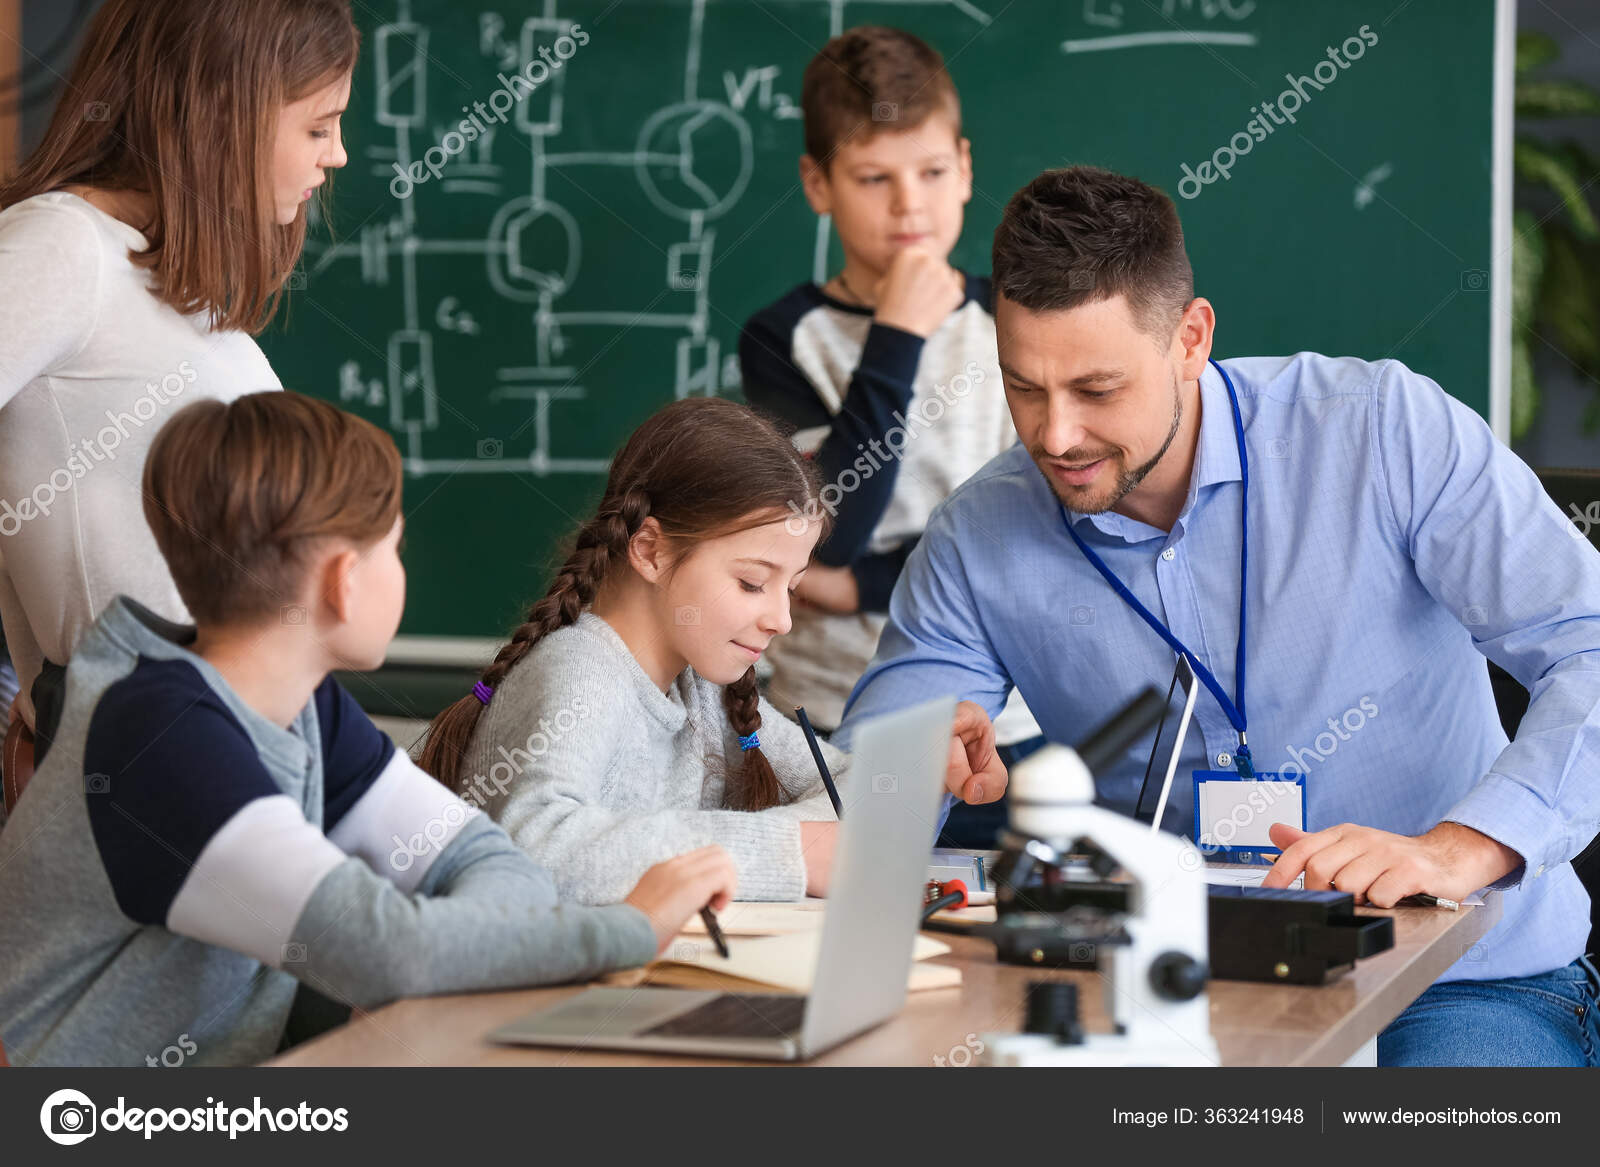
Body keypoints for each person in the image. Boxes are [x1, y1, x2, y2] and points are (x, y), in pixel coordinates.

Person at [839, 165, 1600, 1067]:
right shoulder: (977, 534)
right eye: (1024, 387)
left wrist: (1460, 849)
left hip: (1461, 980)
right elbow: (864, 805)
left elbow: (1586, 645)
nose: (1055, 435)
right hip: (1167, 984)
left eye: (1096, 389)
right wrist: (910, 771)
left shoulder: (1383, 430)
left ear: (1192, 338)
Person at [0, 391, 737, 1067]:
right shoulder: (160, 738)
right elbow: (391, 953)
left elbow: (483, 857)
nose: (402, 570)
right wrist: (633, 927)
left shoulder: (300, 706)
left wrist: (440, 948)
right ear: (342, 580)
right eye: (394, 547)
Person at [419, 397, 1004, 905]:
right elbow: (534, 848)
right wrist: (789, 850)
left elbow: (843, 787)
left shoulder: (702, 690)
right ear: (650, 550)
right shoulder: (582, 672)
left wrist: (915, 762)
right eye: (752, 582)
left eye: (792, 588)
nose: (781, 619)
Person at [0, 0, 352, 755]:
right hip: (149, 756)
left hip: (238, 743)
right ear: (224, 111)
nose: (338, 156)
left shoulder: (168, 279)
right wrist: (34, 691)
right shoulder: (64, 248)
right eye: (319, 128)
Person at [738, 27, 1041, 817]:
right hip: (829, 719)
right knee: (845, 893)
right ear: (818, 183)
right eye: (874, 177)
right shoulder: (783, 338)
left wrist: (858, 586)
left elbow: (1030, 532)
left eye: (932, 172)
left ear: (965, 168)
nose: (910, 203)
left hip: (999, 725)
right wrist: (898, 337)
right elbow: (828, 528)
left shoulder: (1017, 323)